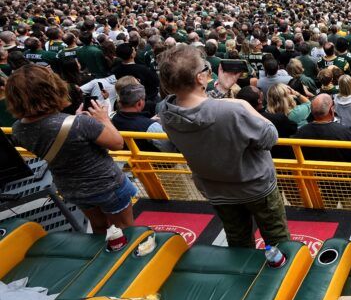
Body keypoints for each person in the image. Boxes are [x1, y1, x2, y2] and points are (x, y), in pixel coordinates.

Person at [158, 45, 289, 249]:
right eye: (205, 68)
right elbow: (270, 138)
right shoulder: (234, 110)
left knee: (237, 240)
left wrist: (220, 89)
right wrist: (245, 108)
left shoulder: (165, 111)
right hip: (255, 187)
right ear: (200, 78)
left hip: (216, 189)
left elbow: (199, 111)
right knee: (277, 237)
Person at [8, 64, 135, 232]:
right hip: (106, 184)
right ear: (53, 89)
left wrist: (72, 121)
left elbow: (51, 135)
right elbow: (117, 144)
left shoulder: (17, 128)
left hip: (71, 188)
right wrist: (103, 118)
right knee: (125, 228)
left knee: (99, 227)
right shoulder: (80, 123)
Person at [295, 94, 351, 163]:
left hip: (312, 172)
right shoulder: (344, 131)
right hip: (345, 172)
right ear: (331, 110)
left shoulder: (300, 132)